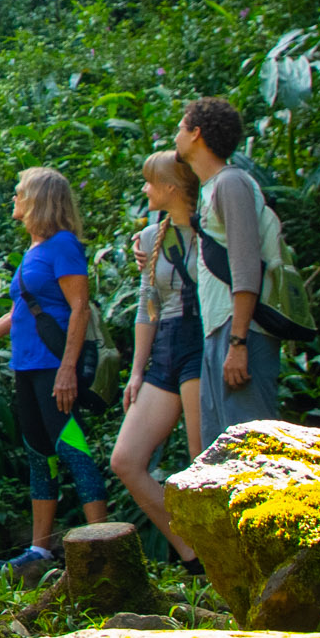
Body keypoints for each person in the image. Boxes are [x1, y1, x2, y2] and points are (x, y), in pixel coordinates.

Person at [0, 166, 109, 576]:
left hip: (53, 367)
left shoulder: (63, 245)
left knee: (73, 449)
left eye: (19, 192)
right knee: (38, 454)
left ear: (39, 199)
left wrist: (68, 369)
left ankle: (102, 543)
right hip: (26, 367)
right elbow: (16, 315)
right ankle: (40, 550)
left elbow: (80, 308)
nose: (13, 198)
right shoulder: (34, 251)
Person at [110, 152, 204, 571]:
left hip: (202, 340)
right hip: (165, 345)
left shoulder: (210, 230)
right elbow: (146, 306)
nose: (145, 189)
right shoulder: (150, 237)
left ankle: (225, 559)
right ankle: (193, 552)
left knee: (203, 463)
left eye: (151, 182)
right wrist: (136, 371)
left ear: (171, 187)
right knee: (126, 460)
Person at [175, 97, 284, 449]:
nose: (176, 134)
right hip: (219, 331)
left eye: (181, 126)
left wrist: (238, 344)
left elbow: (245, 266)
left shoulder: (231, 183)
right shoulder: (212, 188)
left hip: (241, 332)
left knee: (253, 452)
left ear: (197, 134)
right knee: (223, 452)